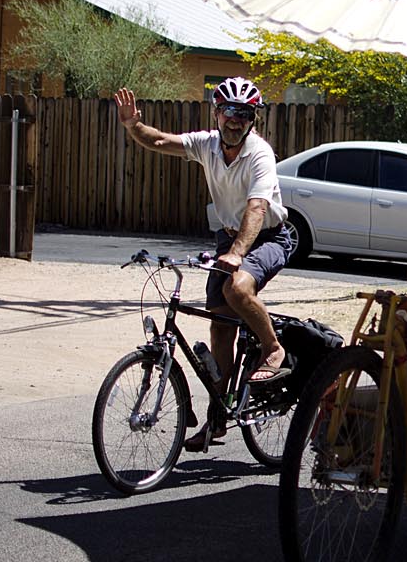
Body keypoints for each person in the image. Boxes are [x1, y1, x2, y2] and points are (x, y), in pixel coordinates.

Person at [114, 77, 292, 451]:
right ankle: (218, 419)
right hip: (229, 239)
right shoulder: (207, 144)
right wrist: (133, 125)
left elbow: (257, 208)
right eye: (228, 111)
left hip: (269, 237)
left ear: (253, 119)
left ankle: (273, 348)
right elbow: (159, 141)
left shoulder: (259, 154)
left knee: (237, 287)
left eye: (243, 113)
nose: (234, 120)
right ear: (216, 113)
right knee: (220, 330)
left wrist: (238, 253)